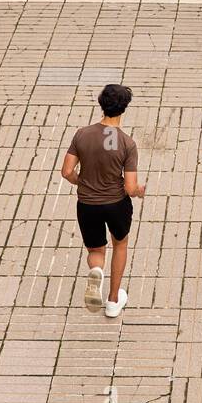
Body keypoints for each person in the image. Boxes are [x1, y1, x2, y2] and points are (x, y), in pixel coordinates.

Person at [60, 82, 145, 317]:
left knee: (96, 249)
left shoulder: (82, 134)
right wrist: (139, 190)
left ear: (101, 104)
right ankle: (113, 301)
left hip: (87, 205)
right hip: (116, 204)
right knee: (120, 243)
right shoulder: (127, 143)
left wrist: (82, 182)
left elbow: (66, 171)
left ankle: (96, 270)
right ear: (124, 109)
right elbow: (129, 187)